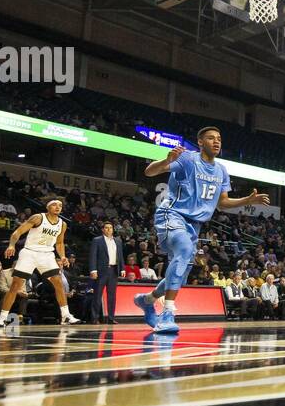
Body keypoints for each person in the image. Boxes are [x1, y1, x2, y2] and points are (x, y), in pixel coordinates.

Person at [136, 127, 270, 335]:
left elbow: (223, 203)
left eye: (219, 138)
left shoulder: (221, 171)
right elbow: (150, 171)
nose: (216, 142)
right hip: (173, 214)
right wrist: (166, 160)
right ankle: (168, 313)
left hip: (194, 225)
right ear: (200, 142)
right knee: (183, 251)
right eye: (211, 138)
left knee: (181, 274)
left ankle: (147, 300)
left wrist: (248, 200)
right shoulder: (188, 159)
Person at [0, 199, 81, 329]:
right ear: (48, 207)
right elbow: (18, 232)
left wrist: (62, 256)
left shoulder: (62, 224)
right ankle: (2, 318)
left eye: (60, 205)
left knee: (58, 282)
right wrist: (11, 245)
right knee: (16, 285)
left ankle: (66, 315)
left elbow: (60, 243)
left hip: (47, 255)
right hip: (29, 252)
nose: (58, 207)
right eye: (55, 205)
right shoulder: (38, 218)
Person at [89, 221, 123, 323]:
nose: (109, 229)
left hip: (113, 270)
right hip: (101, 271)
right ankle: (95, 318)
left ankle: (111, 318)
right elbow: (93, 256)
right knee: (97, 295)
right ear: (103, 230)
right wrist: (93, 270)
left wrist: (122, 268)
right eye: (106, 228)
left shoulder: (118, 241)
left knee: (112, 296)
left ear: (113, 229)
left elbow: (120, 256)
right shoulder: (97, 240)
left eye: (110, 228)